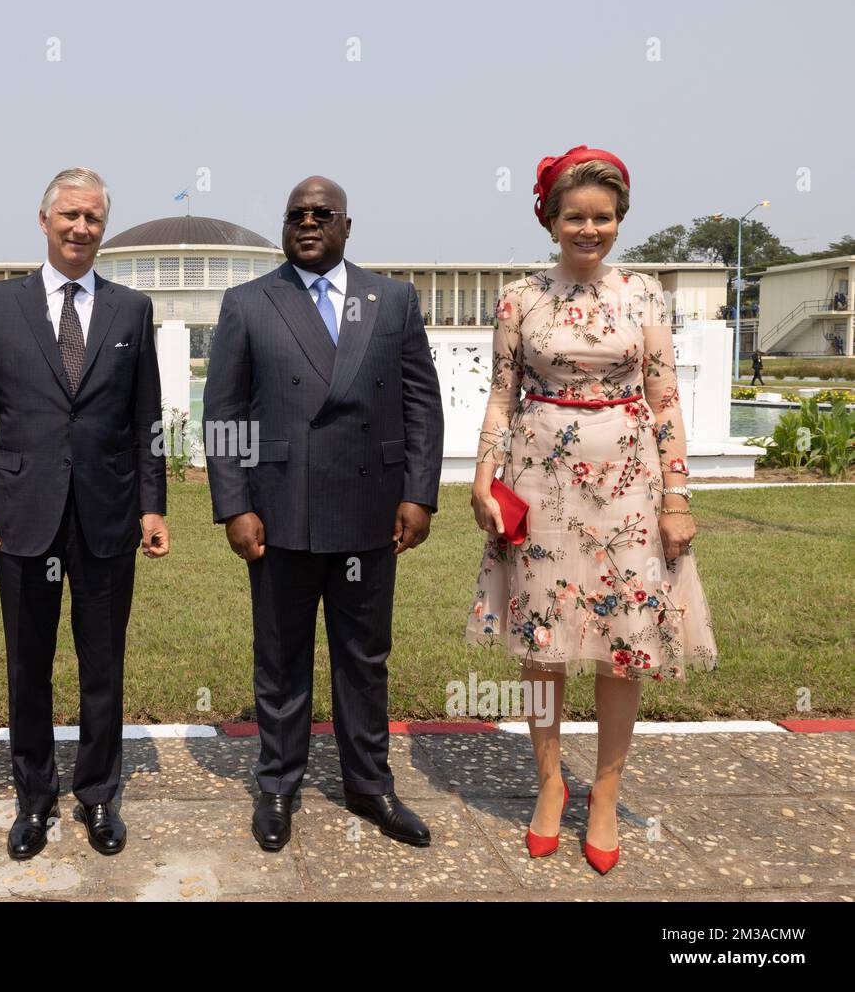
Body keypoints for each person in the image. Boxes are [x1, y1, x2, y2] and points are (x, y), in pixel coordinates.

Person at [466, 146, 717, 875]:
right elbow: (501, 395)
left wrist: (677, 496)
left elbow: (665, 400)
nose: (589, 228)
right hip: (541, 485)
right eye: (575, 216)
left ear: (619, 221)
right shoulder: (519, 297)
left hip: (632, 491)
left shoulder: (645, 294)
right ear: (550, 218)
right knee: (543, 646)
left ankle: (604, 793)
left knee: (625, 642)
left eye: (602, 217)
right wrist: (484, 477)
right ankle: (549, 784)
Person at [204, 176, 444, 852]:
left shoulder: (390, 299)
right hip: (278, 512)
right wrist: (234, 505)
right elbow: (222, 413)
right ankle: (278, 784)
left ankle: (369, 785)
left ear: (346, 224)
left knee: (364, 659)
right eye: (295, 214)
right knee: (279, 659)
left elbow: (421, 401)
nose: (307, 223)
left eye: (321, 214)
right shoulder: (249, 303)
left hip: (369, 512)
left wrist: (418, 492)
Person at [0, 168, 169, 860]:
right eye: (70, 215)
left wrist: (153, 505)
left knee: (103, 664)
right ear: (43, 220)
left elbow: (147, 423)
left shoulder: (131, 311)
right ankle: (34, 798)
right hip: (22, 516)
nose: (82, 228)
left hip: (106, 519)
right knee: (29, 664)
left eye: (95, 219)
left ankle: (99, 795)